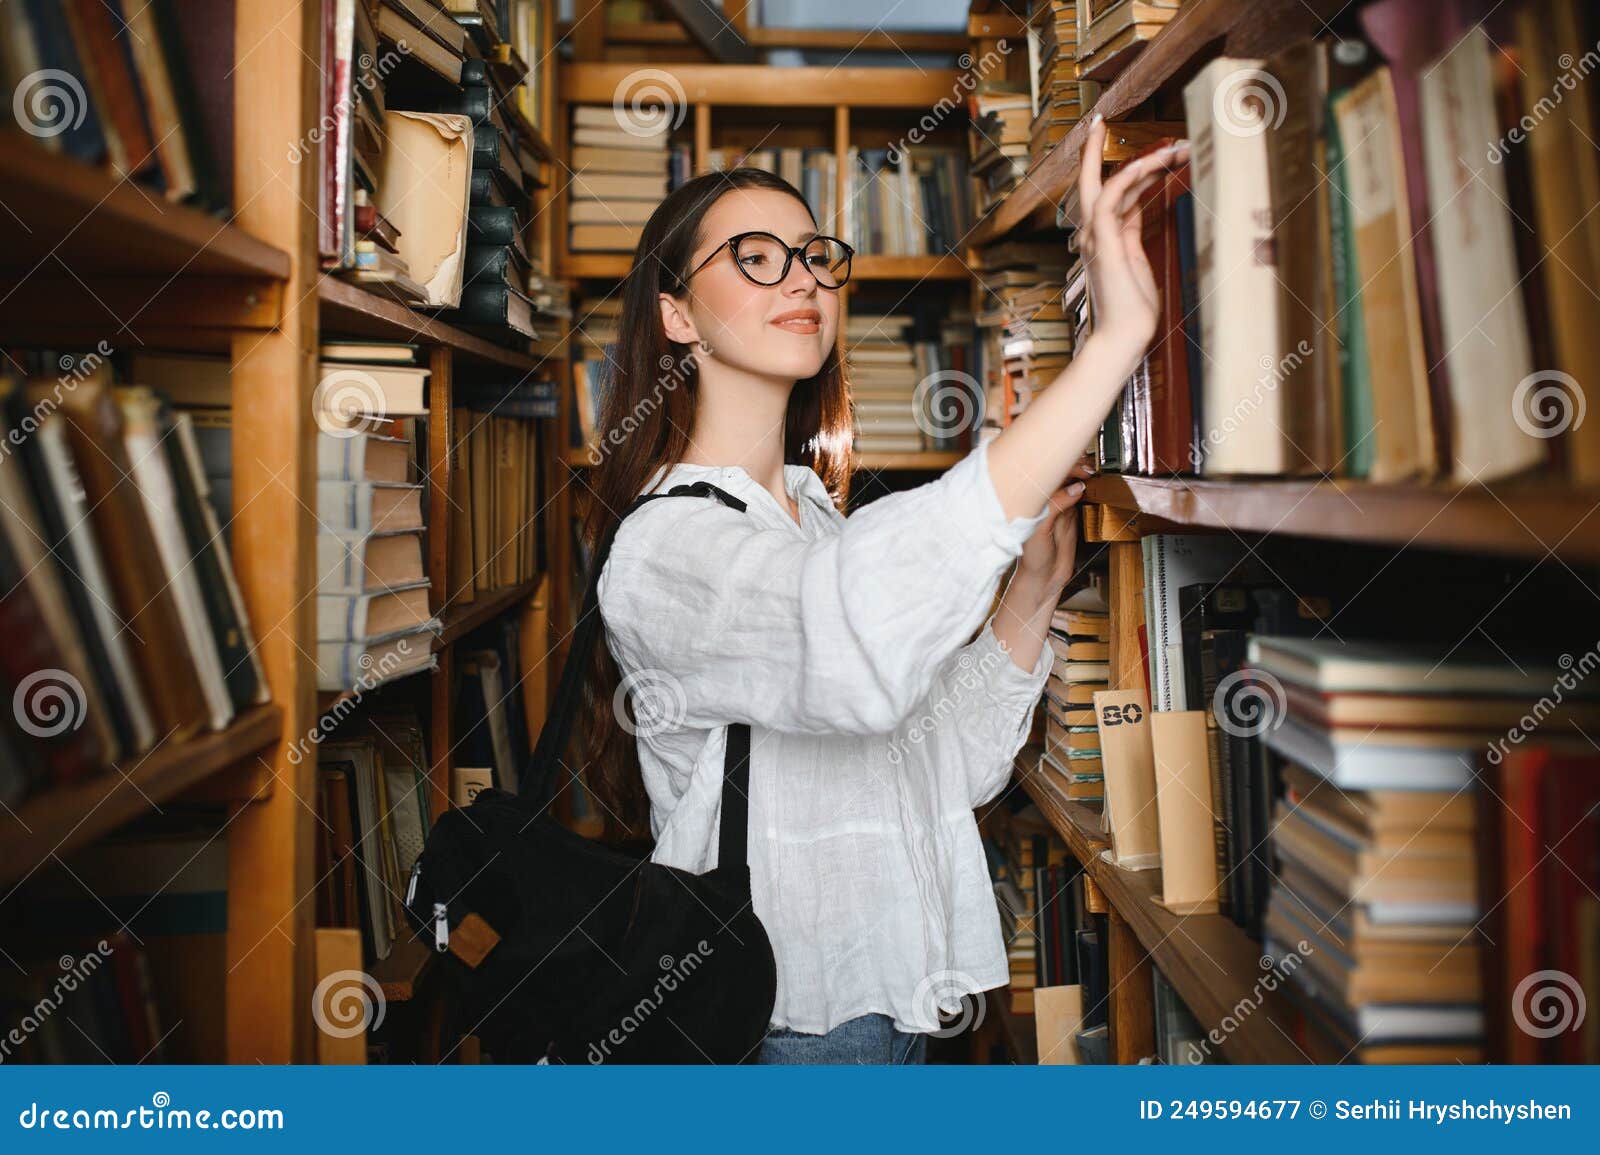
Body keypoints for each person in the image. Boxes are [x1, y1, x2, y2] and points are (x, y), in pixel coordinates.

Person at [579, 118, 1189, 1063]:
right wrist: (1113, 347)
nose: (803, 280)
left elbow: (938, 766)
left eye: (815, 257)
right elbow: (847, 636)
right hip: (782, 1024)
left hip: (901, 993)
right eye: (755, 257)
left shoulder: (820, 521)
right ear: (676, 314)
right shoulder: (664, 549)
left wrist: (1032, 591)